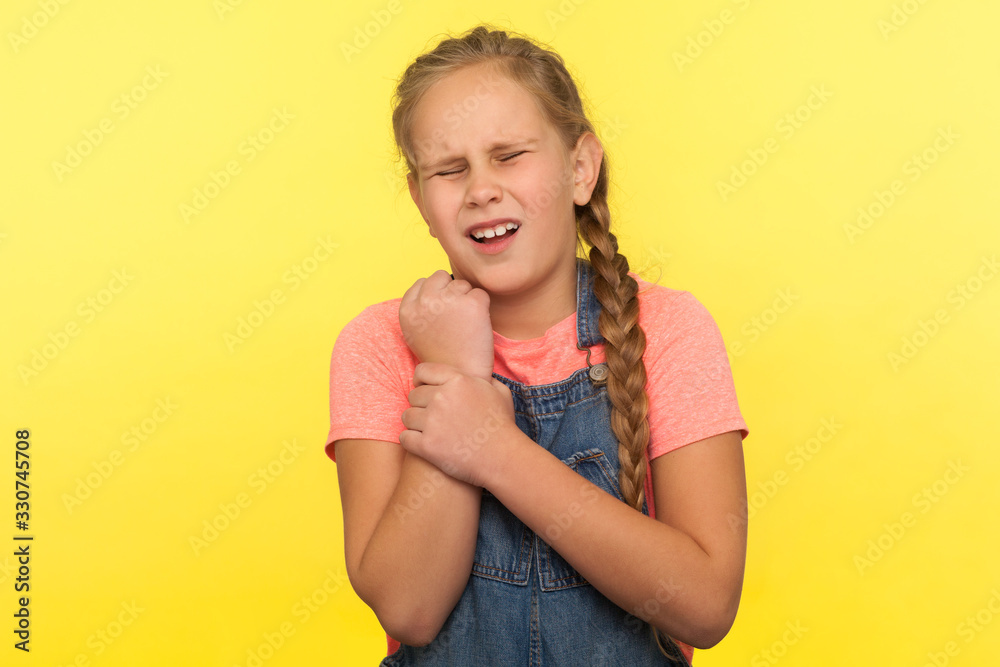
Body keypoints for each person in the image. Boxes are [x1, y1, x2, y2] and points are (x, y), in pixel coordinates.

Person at [326, 25, 749, 666]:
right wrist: (453, 370)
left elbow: (704, 604)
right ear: (419, 199)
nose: (480, 189)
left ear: (580, 169)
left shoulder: (669, 331)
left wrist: (495, 450)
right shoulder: (380, 345)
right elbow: (409, 608)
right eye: (448, 169)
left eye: (509, 155)